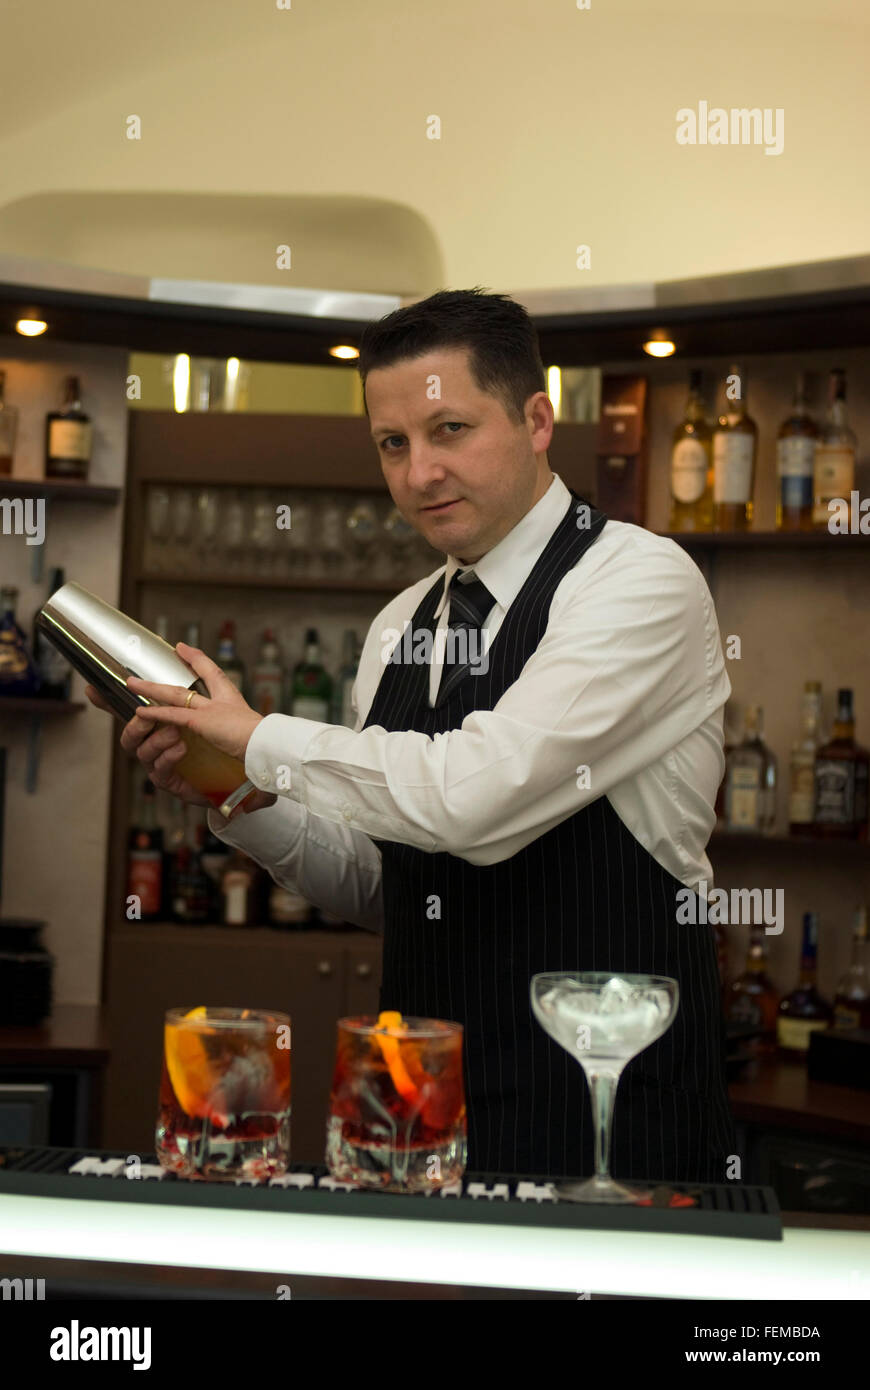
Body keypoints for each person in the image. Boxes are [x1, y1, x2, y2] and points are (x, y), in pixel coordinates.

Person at [88, 287, 736, 1183]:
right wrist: (227, 781)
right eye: (393, 444)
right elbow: (384, 879)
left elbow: (472, 796)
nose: (419, 472)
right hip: (416, 1116)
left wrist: (258, 735)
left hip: (606, 1123)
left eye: (451, 430)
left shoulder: (638, 581)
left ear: (537, 419)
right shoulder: (402, 622)